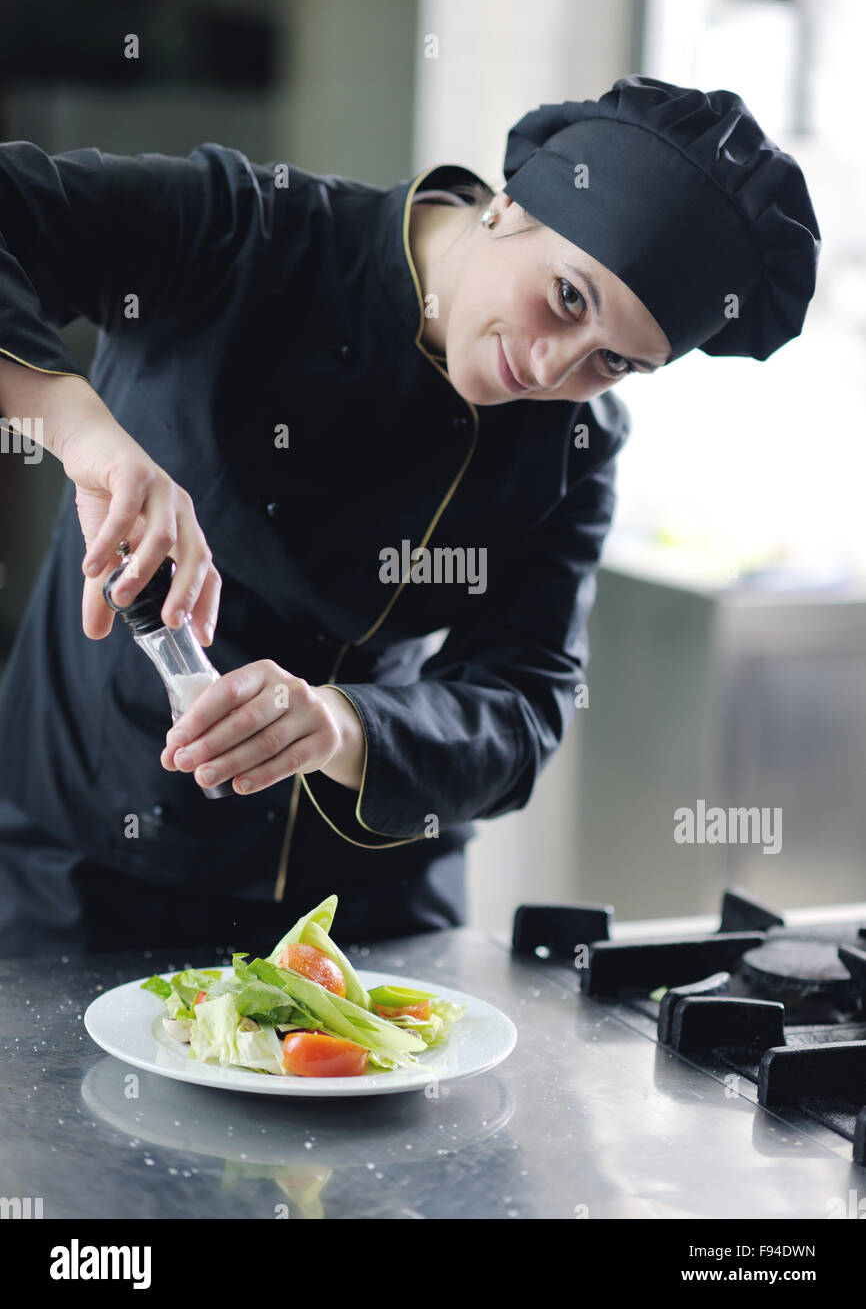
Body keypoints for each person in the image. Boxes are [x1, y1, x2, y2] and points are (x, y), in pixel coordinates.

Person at [0, 75, 820, 958]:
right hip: (89, 869)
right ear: (509, 207)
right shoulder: (248, 230)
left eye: (615, 361)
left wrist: (338, 724)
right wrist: (92, 444)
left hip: (365, 912)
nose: (553, 368)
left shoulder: (578, 441)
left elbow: (524, 700)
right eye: (568, 298)